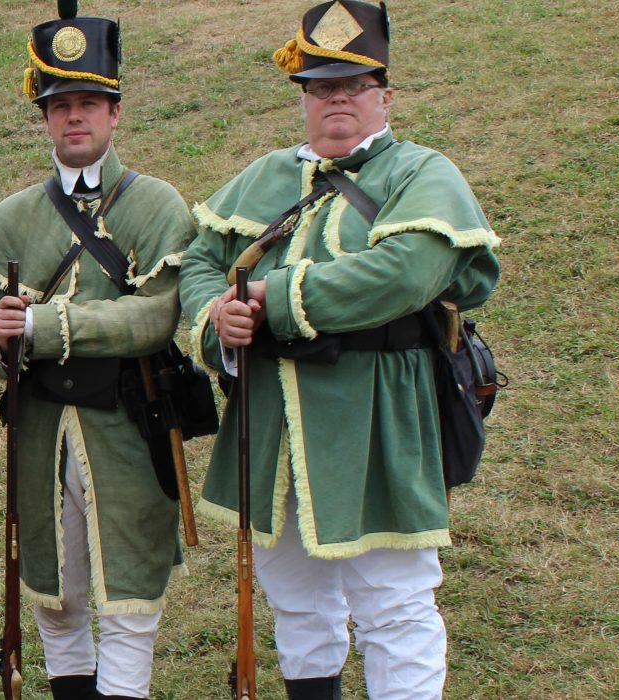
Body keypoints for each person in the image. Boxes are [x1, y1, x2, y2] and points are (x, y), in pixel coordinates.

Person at [176, 2, 502, 698]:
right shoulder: (265, 176)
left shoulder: (421, 173)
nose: (338, 100)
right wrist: (217, 317)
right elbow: (201, 259)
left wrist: (272, 297)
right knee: (295, 600)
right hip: (272, 420)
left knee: (395, 605)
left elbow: (407, 273)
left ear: (385, 95)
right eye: (323, 87)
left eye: (355, 85)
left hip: (378, 411)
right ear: (304, 98)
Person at [0, 4, 194, 698]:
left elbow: (153, 317)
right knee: (55, 593)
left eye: (89, 104)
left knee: (128, 598)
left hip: (127, 421)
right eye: (60, 105)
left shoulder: (158, 205)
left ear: (115, 113)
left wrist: (41, 326)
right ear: (44, 118)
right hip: (40, 427)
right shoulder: (11, 218)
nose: (75, 117)